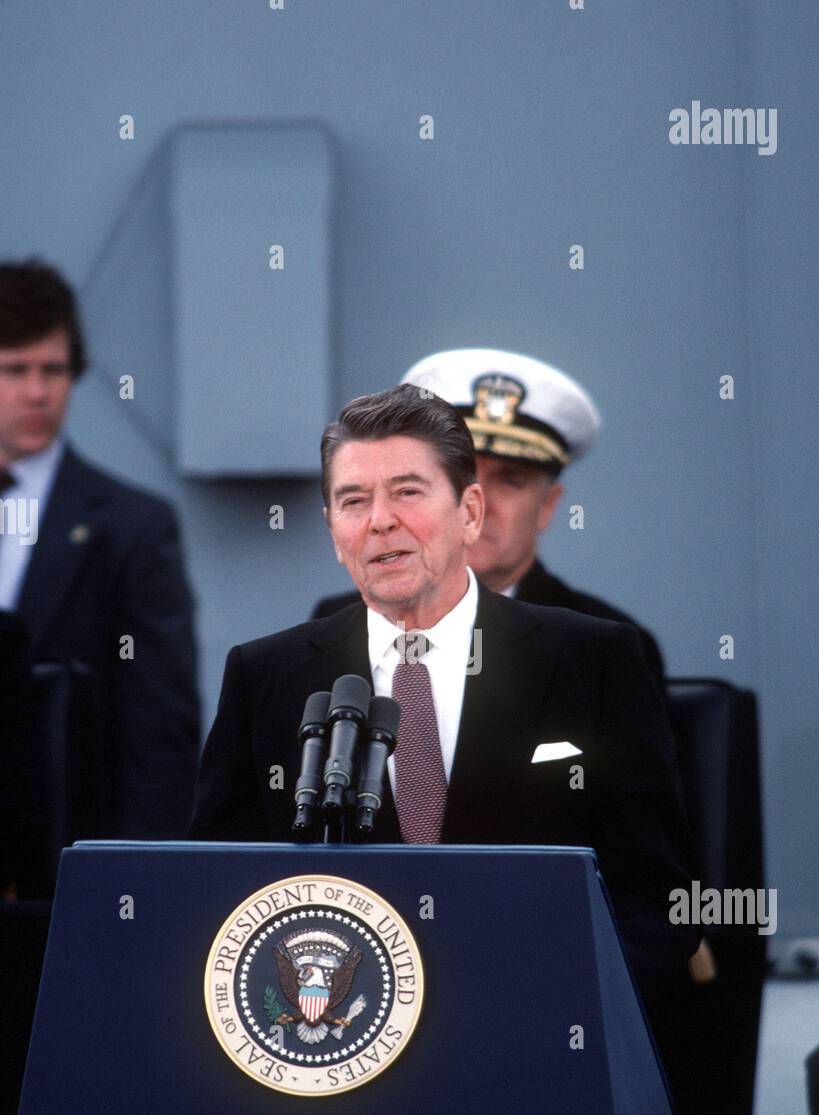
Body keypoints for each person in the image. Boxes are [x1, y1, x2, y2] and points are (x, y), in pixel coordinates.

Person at [190, 384, 695, 1011]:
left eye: (407, 491)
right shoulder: (267, 675)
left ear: (470, 512)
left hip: (537, 1033)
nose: (380, 520)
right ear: (332, 529)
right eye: (353, 500)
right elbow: (216, 891)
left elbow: (655, 895)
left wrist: (569, 1011)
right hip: (334, 1044)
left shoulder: (592, 661)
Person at [312, 348, 665, 686]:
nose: (480, 502)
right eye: (461, 477)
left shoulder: (600, 646)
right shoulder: (335, 623)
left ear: (547, 506)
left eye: (511, 479)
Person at [0, 259, 200, 842]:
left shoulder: (134, 526)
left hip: (61, 865)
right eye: (15, 370)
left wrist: (135, 882)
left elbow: (161, 732)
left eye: (54, 370)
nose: (38, 392)